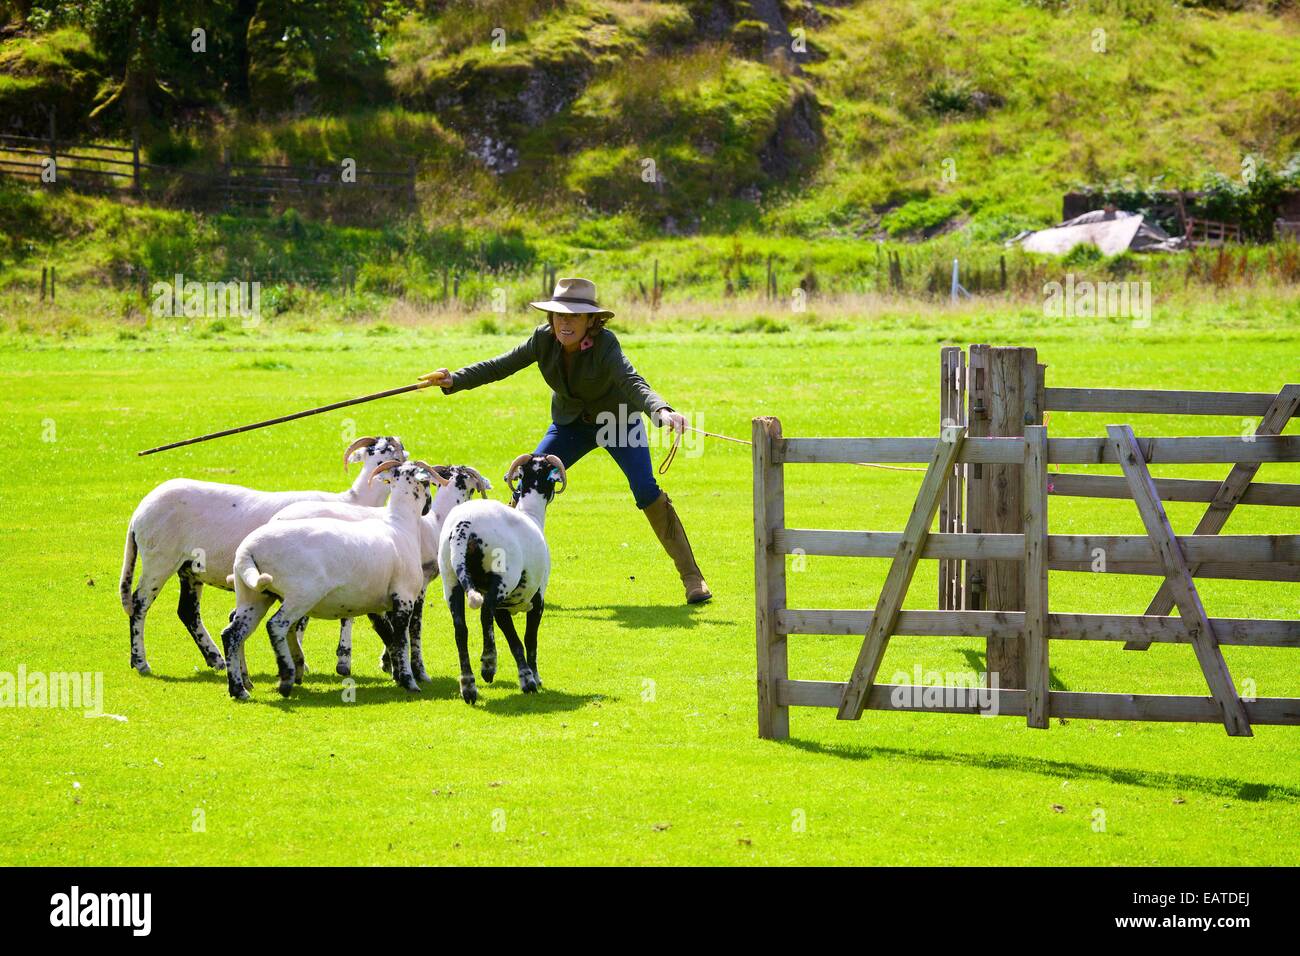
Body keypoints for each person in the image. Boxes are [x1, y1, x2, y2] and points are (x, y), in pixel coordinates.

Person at [419, 277, 712, 604]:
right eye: (560, 315)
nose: (565, 322)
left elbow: (632, 381)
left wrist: (662, 411)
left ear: (591, 320)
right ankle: (504, 576)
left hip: (616, 423)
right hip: (570, 425)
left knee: (645, 490)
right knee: (527, 482)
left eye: (574, 316)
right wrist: (455, 379)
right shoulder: (542, 340)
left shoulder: (606, 345)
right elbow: (501, 365)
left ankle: (692, 577)